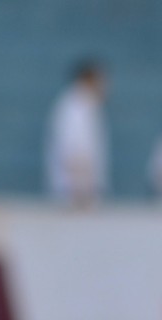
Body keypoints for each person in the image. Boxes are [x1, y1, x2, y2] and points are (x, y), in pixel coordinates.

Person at [45, 58, 109, 208]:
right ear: (89, 80)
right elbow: (72, 151)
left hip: (82, 192)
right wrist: (80, 189)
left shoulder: (87, 106)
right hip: (75, 193)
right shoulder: (73, 107)